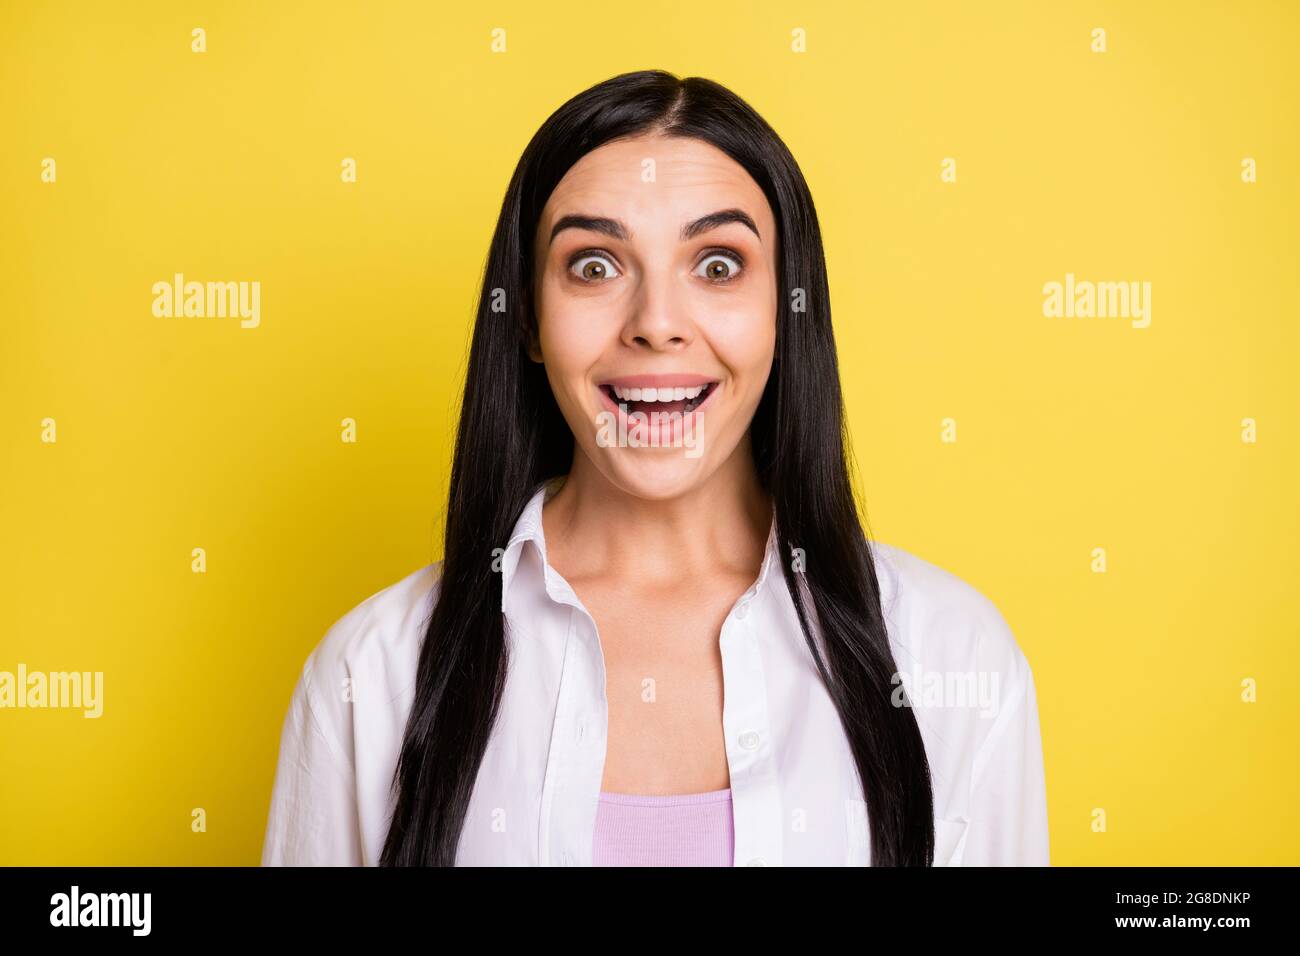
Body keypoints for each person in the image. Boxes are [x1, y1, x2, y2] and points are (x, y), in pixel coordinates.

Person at [261, 69, 1049, 867]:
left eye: (717, 265)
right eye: (595, 266)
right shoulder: (371, 676)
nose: (657, 325)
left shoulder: (951, 660)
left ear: (787, 310)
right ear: (529, 318)